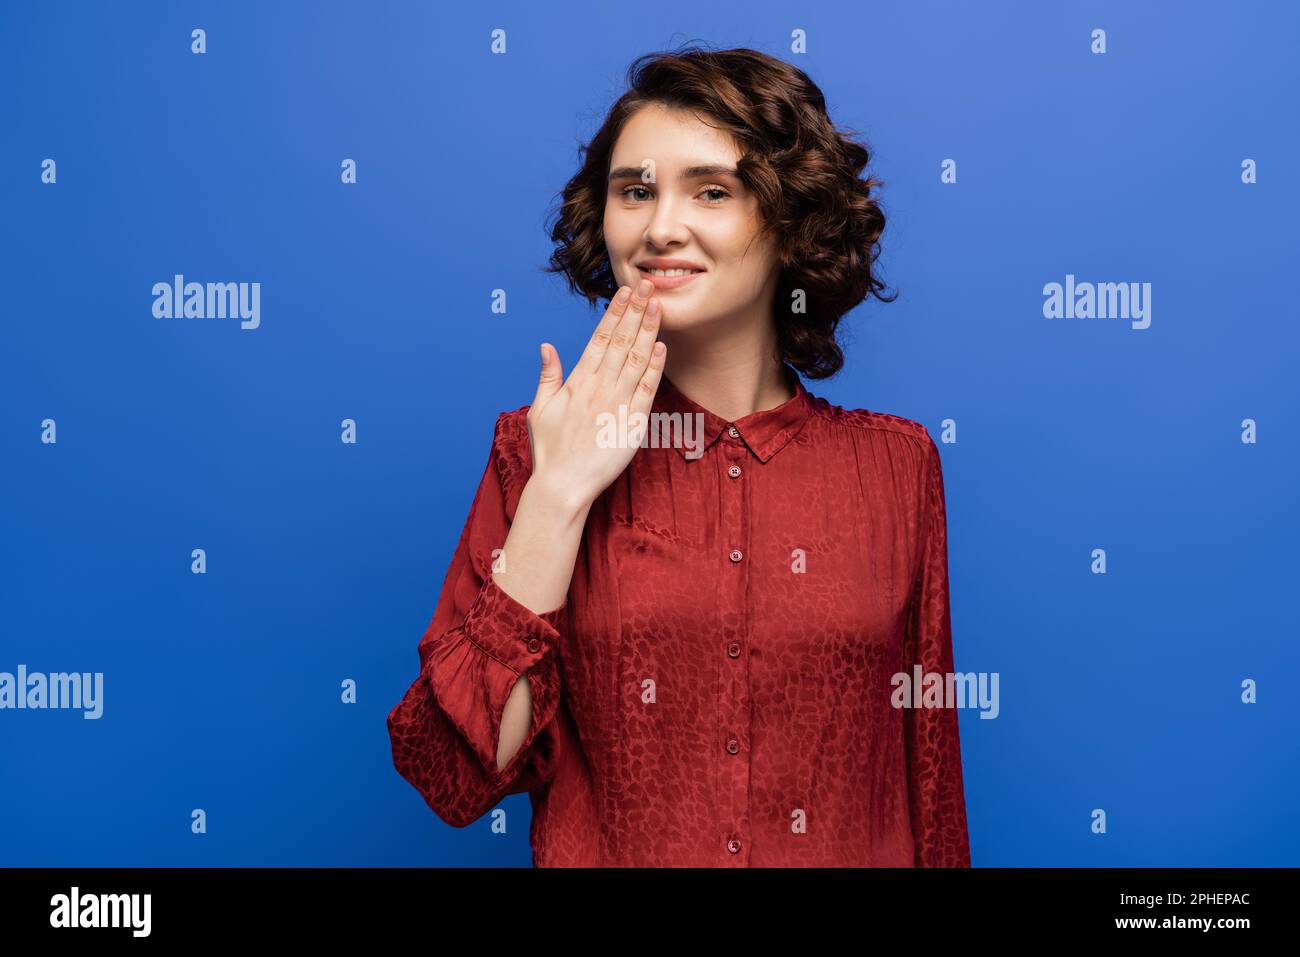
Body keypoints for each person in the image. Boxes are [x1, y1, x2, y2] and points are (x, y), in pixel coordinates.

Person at [387, 45, 971, 867]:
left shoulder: (896, 467)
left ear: (789, 220)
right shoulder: (534, 452)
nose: (662, 225)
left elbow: (931, 781)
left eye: (711, 190)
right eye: (635, 191)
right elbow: (451, 773)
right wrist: (557, 497)